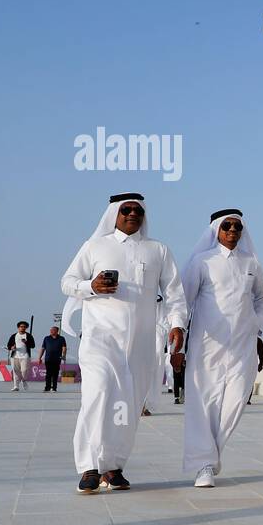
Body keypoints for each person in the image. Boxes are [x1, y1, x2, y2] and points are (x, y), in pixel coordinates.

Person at [60, 193, 188, 494]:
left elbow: (175, 294)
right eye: (126, 210)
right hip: (100, 338)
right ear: (114, 214)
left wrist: (177, 324)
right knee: (98, 393)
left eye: (138, 210)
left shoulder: (159, 250)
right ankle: (89, 466)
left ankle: (113, 467)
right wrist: (90, 286)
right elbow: (67, 281)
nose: (132, 214)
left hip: (141, 344)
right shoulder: (95, 246)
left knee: (129, 406)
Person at [181, 209, 263, 488]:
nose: (233, 231)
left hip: (243, 346)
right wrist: (175, 341)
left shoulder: (252, 263)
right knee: (203, 404)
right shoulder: (201, 262)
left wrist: (257, 324)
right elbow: (184, 301)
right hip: (206, 345)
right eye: (227, 226)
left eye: (237, 227)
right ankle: (203, 465)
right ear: (216, 230)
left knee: (234, 403)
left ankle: (209, 456)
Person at [5, 321, 35, 391]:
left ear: (26, 328)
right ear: (18, 327)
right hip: (15, 356)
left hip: (25, 356)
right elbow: (9, 346)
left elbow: (33, 345)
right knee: (15, 371)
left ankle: (24, 380)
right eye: (21, 327)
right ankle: (16, 386)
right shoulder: (14, 336)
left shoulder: (29, 336)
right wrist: (11, 348)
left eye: (24, 327)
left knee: (24, 370)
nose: (23, 328)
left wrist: (26, 342)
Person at [38, 326, 68, 392]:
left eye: (53, 330)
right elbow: (43, 348)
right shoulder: (46, 338)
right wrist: (39, 357)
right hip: (48, 359)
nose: (51, 331)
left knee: (55, 374)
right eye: (51, 330)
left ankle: (54, 388)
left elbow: (64, 347)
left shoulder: (61, 338)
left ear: (57, 331)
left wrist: (64, 355)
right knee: (48, 373)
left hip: (57, 359)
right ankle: (47, 387)